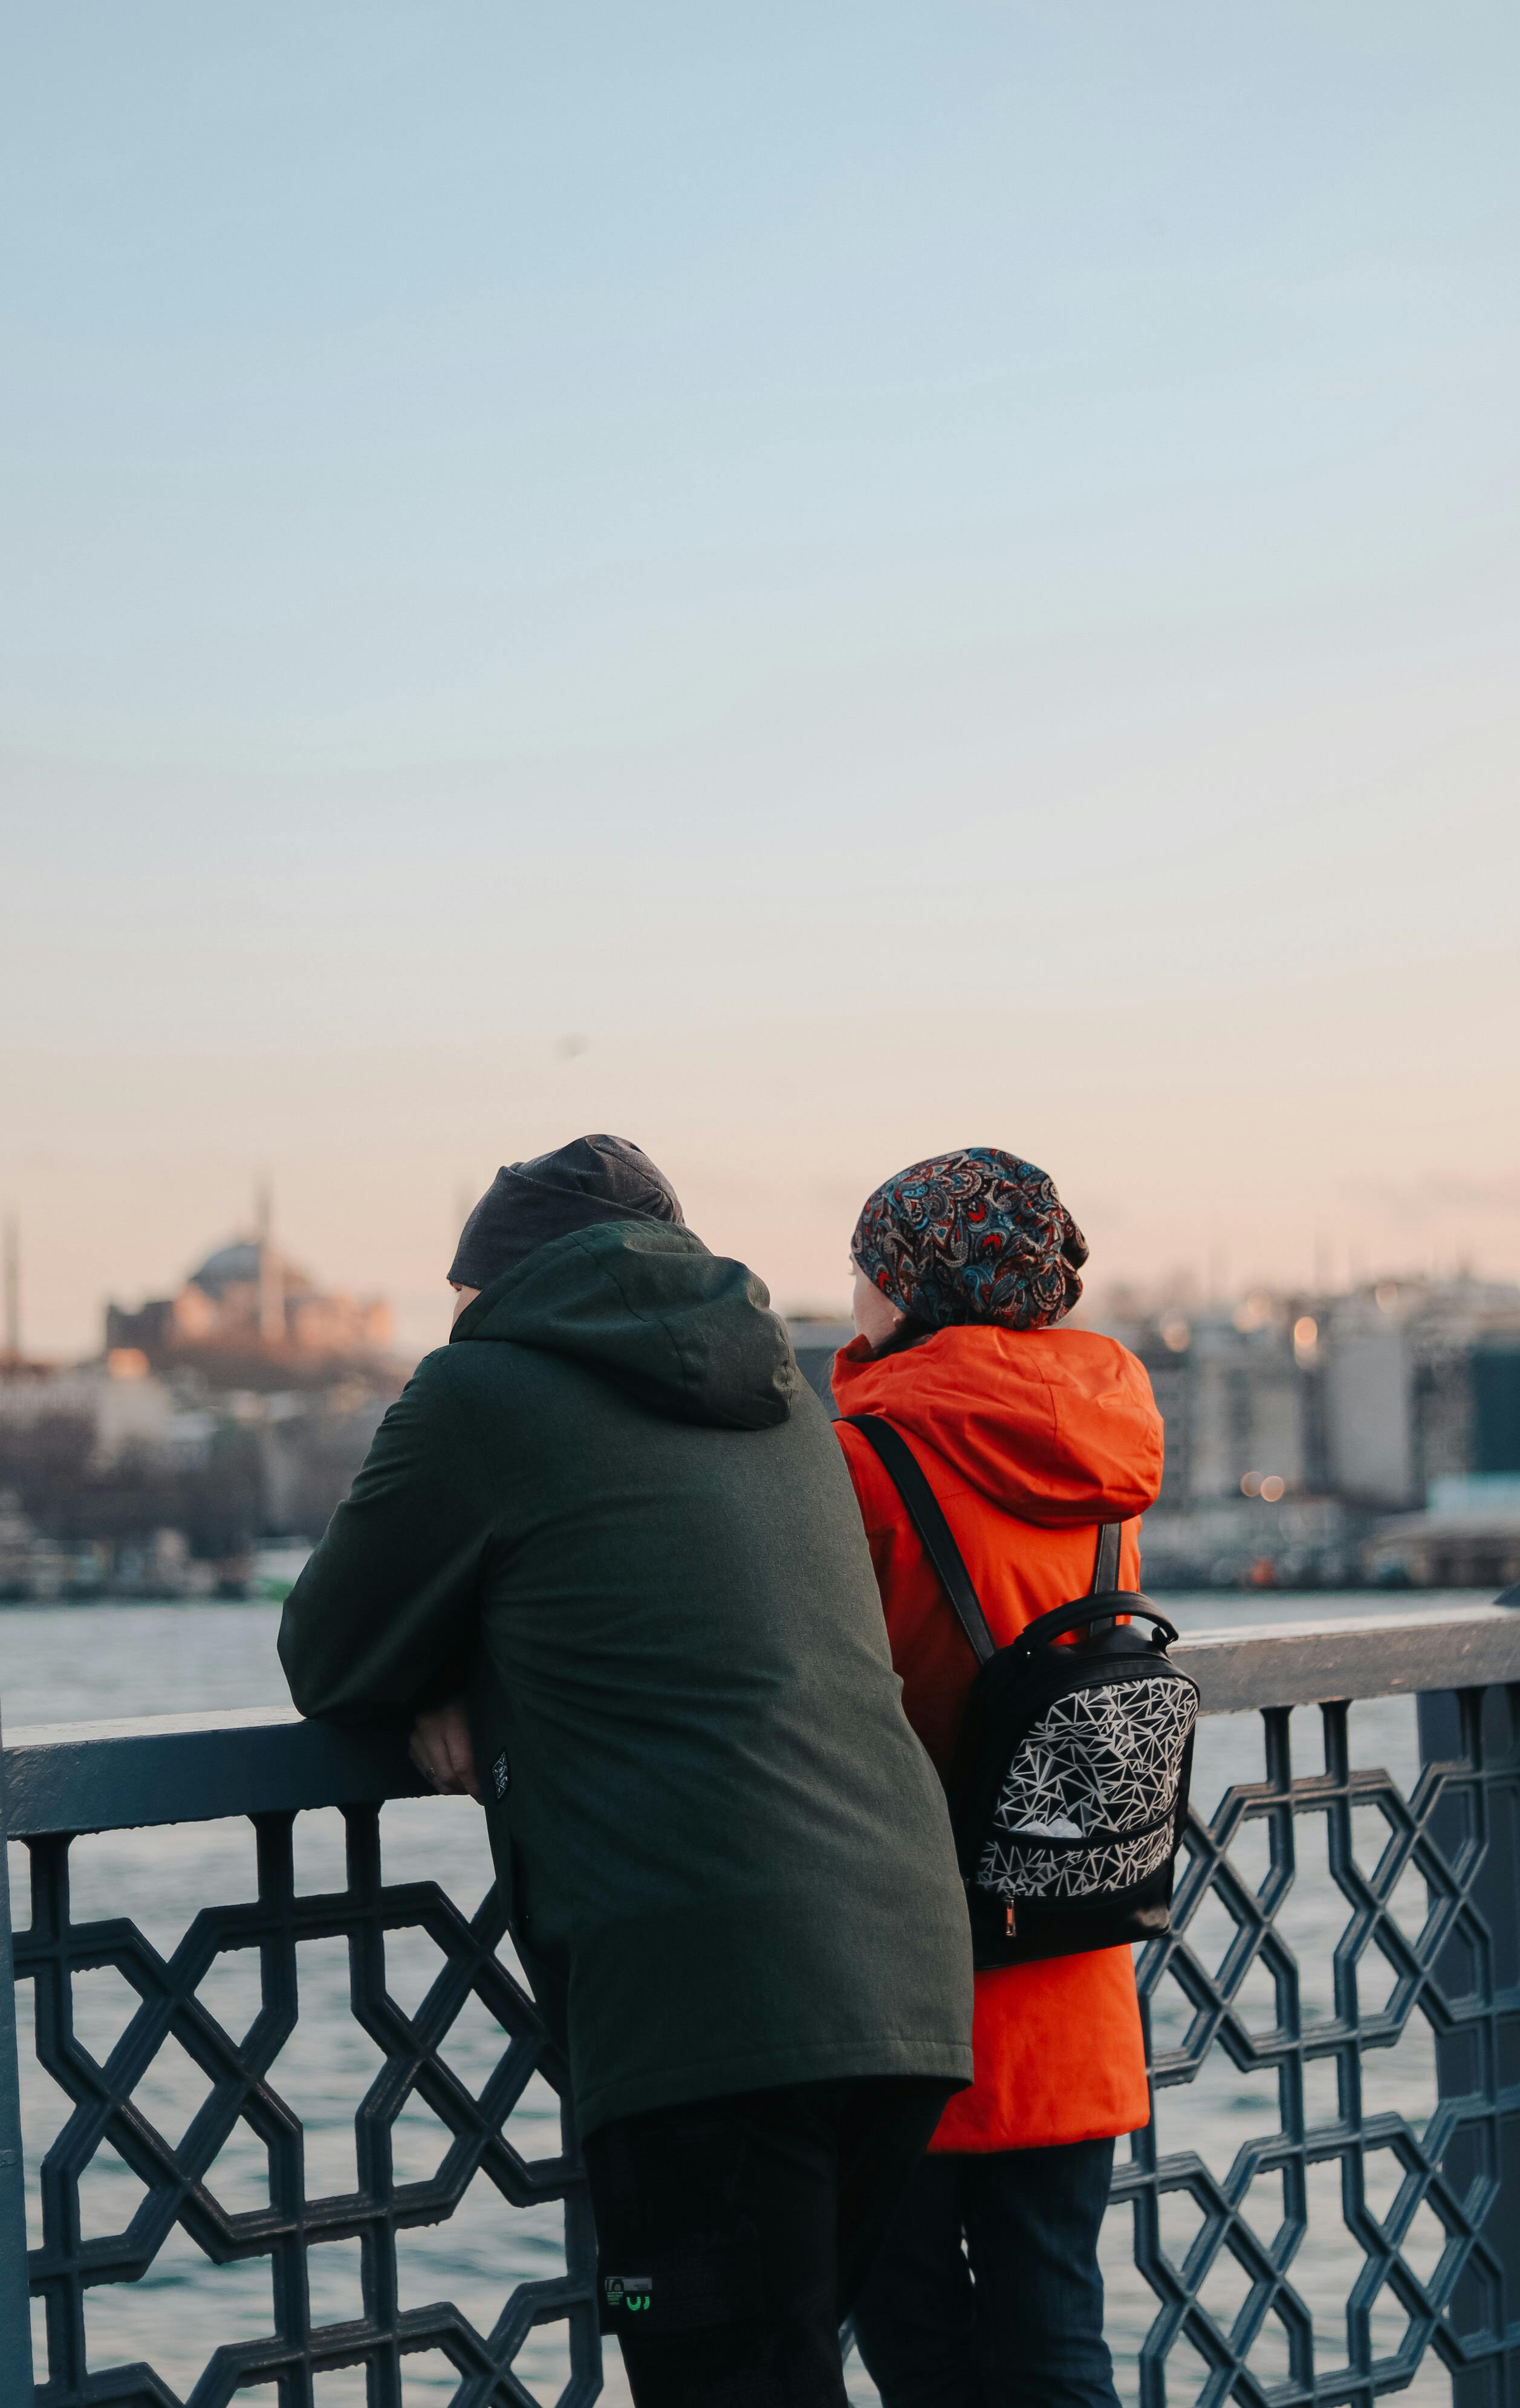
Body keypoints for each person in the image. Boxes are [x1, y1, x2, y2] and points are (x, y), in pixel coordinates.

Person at [278, 1134, 973, 2408]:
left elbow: (328, 1650)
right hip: (906, 1973)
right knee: (788, 2370)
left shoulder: (478, 1392)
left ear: (493, 1285)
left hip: (706, 2000)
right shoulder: (781, 1390)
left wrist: (459, 1684)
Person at [831, 1148, 1164, 2408]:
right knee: (1057, 2337)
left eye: (866, 1264)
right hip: (1075, 1967)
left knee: (919, 2343)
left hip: (914, 1976)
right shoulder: (1105, 1450)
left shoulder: (868, 1462)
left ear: (911, 1281)